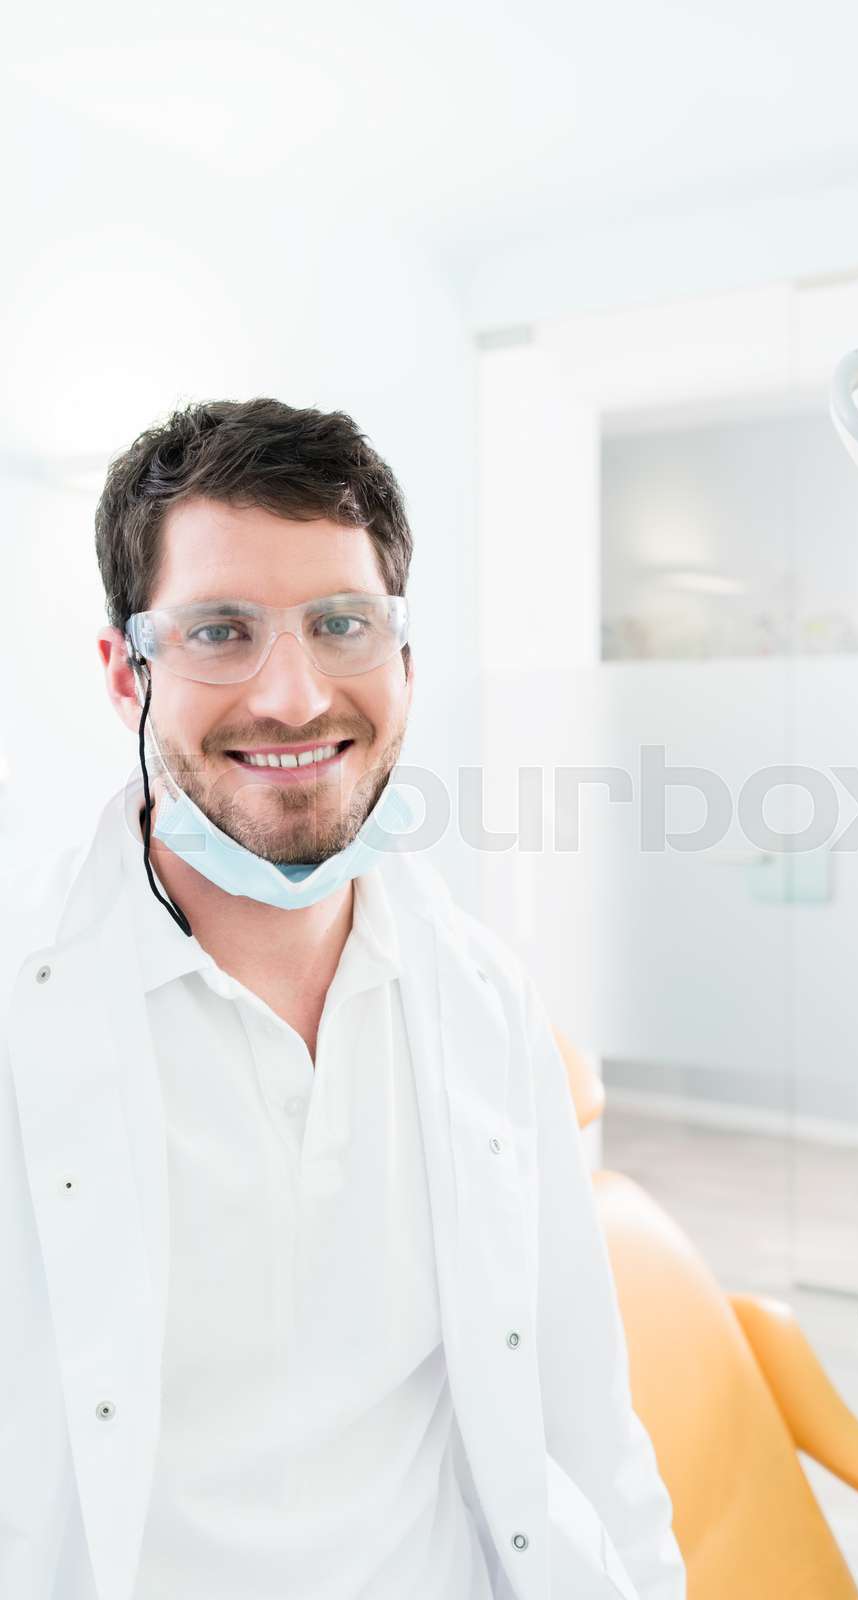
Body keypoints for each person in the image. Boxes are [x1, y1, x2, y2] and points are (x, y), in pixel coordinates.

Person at [0, 398, 686, 1599]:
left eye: (341, 624)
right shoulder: (28, 1008)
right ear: (125, 674)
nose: (294, 694)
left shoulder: (479, 997)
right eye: (220, 631)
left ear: (404, 660)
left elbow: (582, 1417)